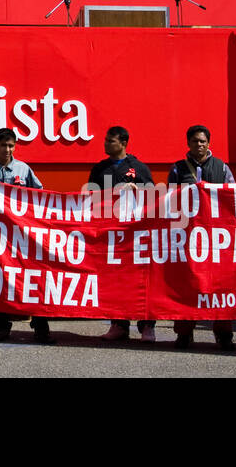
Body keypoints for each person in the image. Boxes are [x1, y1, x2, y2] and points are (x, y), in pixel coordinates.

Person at [0, 127, 50, 343]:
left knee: (33, 279)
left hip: (22, 237)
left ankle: (40, 326)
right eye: (3, 145)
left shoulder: (24, 170)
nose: (7, 149)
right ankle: (1, 326)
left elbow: (40, 196)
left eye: (11, 145)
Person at [167, 125, 236, 351]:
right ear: (188, 143)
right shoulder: (177, 169)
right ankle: (184, 333)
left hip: (217, 238)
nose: (199, 145)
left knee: (221, 287)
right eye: (196, 141)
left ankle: (224, 334)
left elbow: (233, 197)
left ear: (209, 143)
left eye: (203, 141)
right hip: (188, 237)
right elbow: (170, 200)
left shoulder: (222, 168)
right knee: (187, 285)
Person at [89, 125, 156, 342]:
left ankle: (147, 326)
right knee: (115, 280)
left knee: (141, 280)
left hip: (136, 236)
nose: (106, 144)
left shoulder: (138, 167)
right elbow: (90, 198)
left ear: (124, 143)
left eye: (111, 141)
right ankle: (119, 324)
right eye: (106, 140)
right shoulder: (99, 169)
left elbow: (155, 197)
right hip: (111, 235)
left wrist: (140, 191)